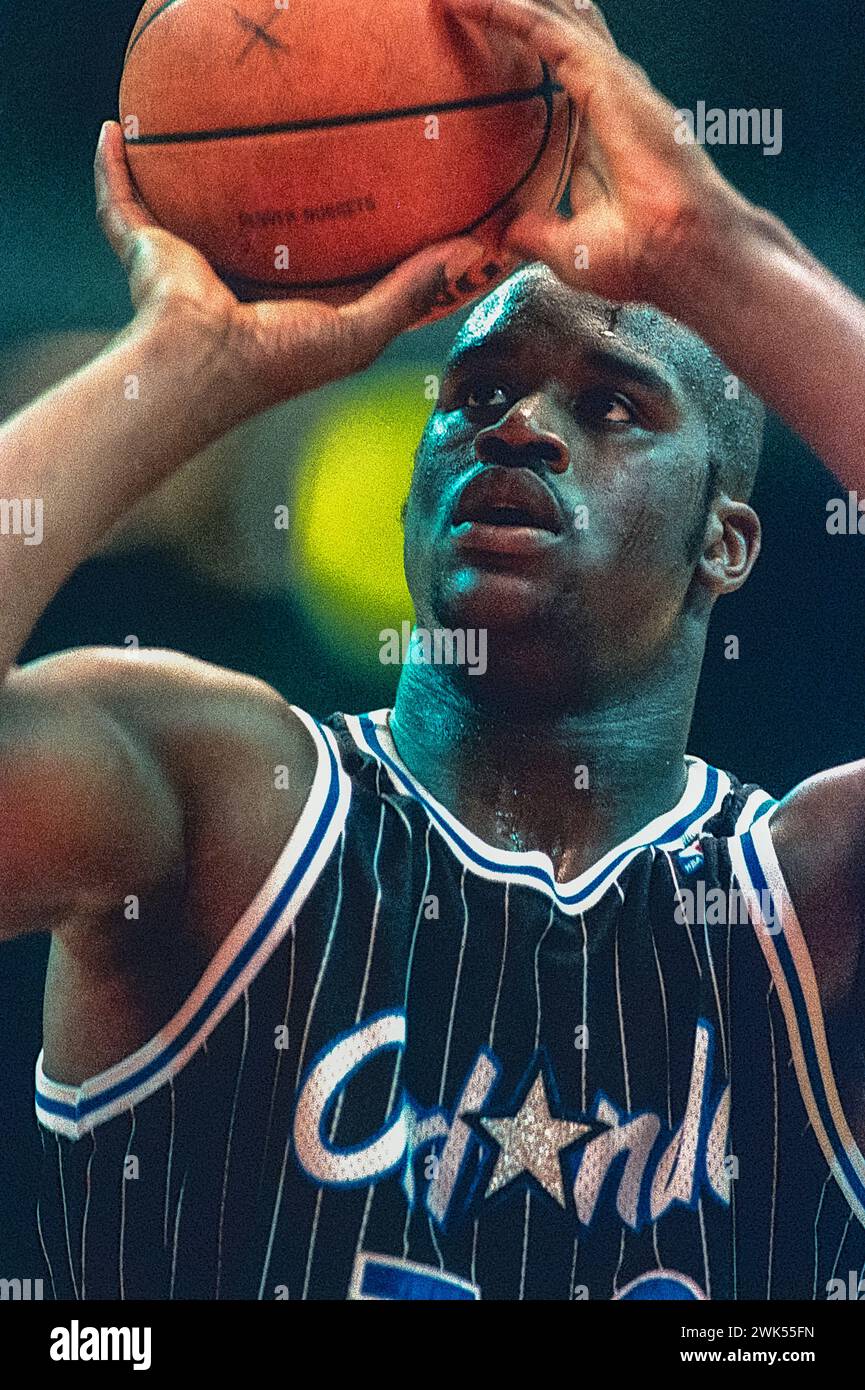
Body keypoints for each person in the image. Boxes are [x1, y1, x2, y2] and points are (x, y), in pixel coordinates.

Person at [3, 0, 864, 1300]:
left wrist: (711, 249)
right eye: (470, 394)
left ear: (725, 543)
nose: (515, 424)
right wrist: (184, 366)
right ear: (405, 500)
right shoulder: (221, 805)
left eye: (609, 402)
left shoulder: (808, 904)